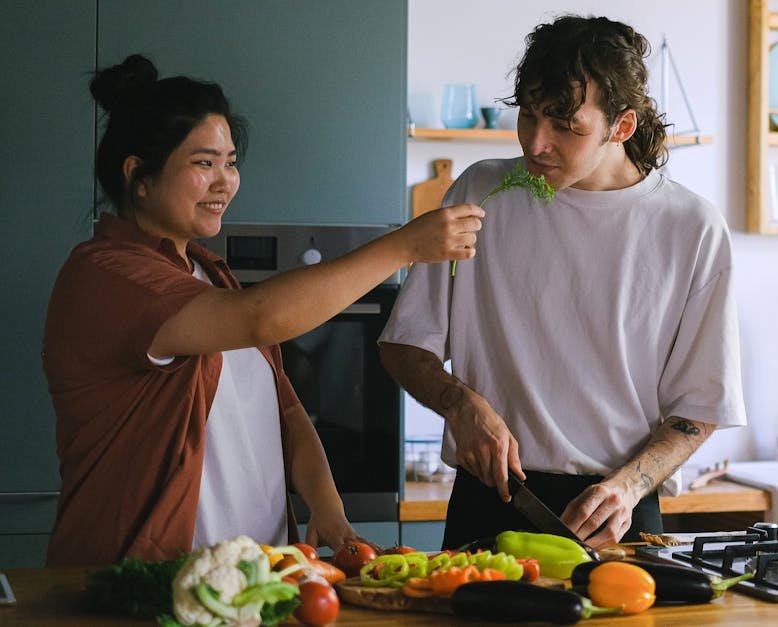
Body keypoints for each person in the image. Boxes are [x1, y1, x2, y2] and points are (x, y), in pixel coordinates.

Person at [42, 55, 484, 567]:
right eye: (203, 163)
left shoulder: (211, 274)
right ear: (138, 176)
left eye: (230, 162)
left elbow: (288, 414)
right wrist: (402, 246)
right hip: (152, 582)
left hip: (258, 579)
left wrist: (328, 507)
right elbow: (261, 317)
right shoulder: (108, 275)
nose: (224, 181)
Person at [380, 15, 746, 550]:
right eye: (528, 116)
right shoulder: (481, 192)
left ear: (621, 126)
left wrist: (628, 486)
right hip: (491, 499)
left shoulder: (691, 227)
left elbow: (700, 407)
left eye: (563, 124)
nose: (536, 142)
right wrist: (461, 405)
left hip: (618, 513)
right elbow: (404, 345)